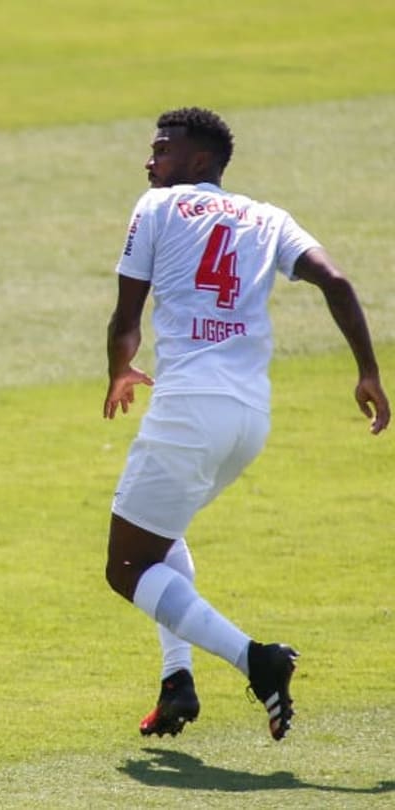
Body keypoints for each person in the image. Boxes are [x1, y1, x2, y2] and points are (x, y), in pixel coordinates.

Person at [103, 106, 388, 741]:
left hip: (187, 411)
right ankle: (177, 681)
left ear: (198, 160)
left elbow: (127, 317)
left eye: (163, 149)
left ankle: (256, 660)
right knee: (161, 535)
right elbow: (336, 281)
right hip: (249, 419)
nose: (151, 161)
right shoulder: (269, 217)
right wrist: (368, 372)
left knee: (126, 568)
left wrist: (117, 370)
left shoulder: (156, 208)